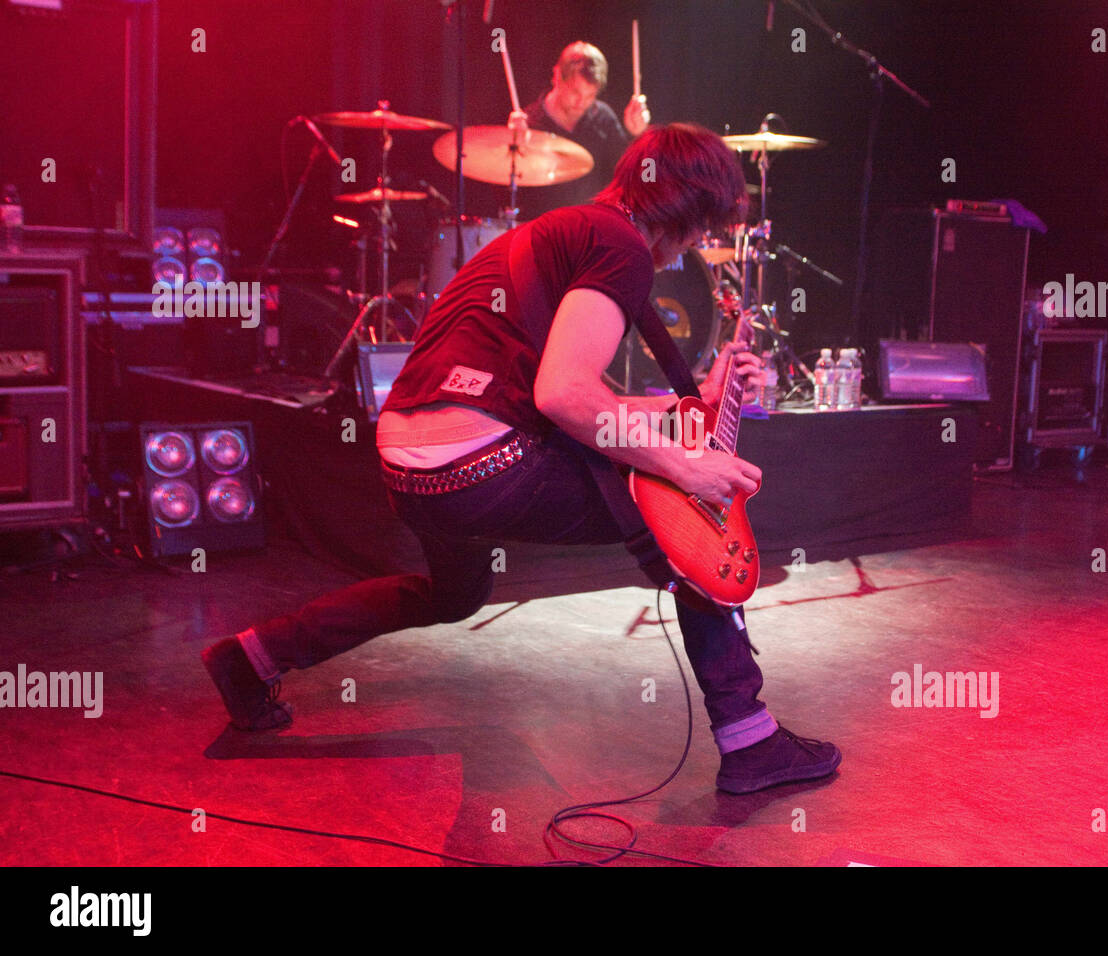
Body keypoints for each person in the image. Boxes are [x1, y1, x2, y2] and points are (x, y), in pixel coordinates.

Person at [201, 123, 842, 795]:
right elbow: (564, 395)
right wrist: (687, 469)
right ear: (690, 206)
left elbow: (570, 400)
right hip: (481, 459)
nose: (694, 246)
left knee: (452, 596)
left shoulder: (558, 232)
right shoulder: (620, 246)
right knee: (688, 519)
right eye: (704, 225)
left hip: (410, 458)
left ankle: (251, 658)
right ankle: (750, 741)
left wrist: (697, 401)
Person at [510, 41, 650, 220]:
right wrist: (513, 144)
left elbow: (639, 177)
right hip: (539, 231)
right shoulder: (529, 123)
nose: (581, 103)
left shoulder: (603, 119)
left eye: (590, 95)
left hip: (590, 232)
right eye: (575, 92)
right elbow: (507, 187)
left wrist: (638, 135)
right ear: (557, 76)